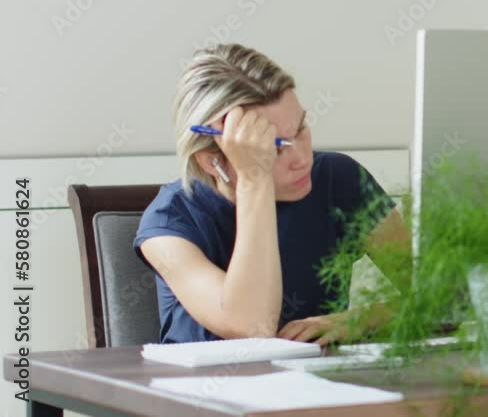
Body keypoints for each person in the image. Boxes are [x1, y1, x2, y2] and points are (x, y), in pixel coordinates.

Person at [134, 43, 410, 344]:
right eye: (274, 148)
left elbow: (440, 294)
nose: (302, 158)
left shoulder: (338, 179)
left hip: (316, 373)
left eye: (300, 129)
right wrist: (255, 179)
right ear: (212, 161)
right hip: (216, 375)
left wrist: (361, 320)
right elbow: (251, 327)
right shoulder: (167, 224)